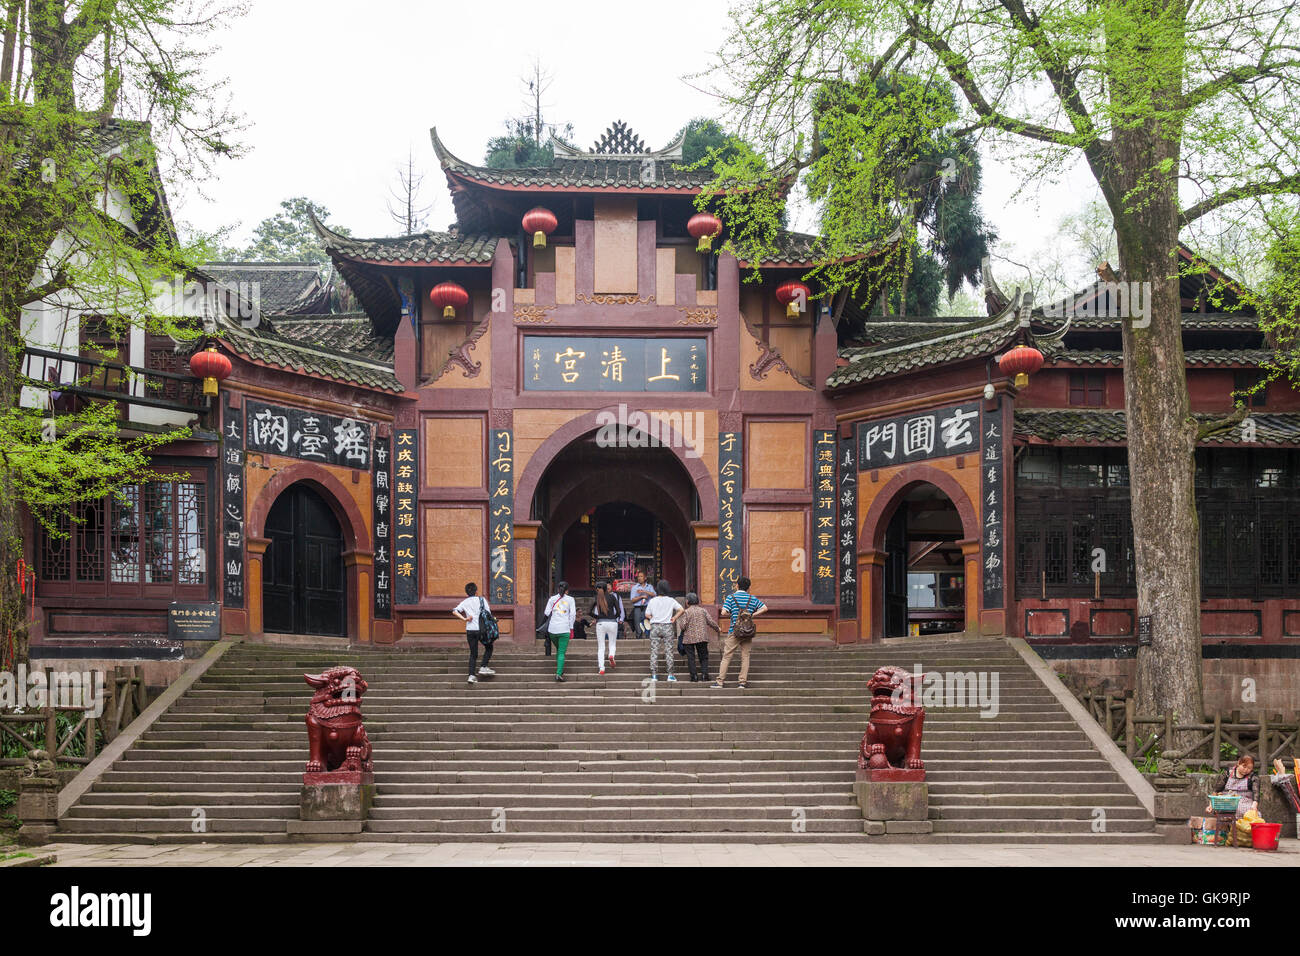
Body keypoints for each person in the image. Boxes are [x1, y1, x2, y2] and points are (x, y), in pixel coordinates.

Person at [713, 576, 767, 689]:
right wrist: (752, 615)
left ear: (737, 585)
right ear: (748, 588)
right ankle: (742, 682)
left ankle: (720, 682)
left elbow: (723, 612)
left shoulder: (731, 597)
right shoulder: (752, 598)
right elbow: (764, 608)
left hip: (734, 630)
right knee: (745, 656)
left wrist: (733, 614)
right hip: (748, 631)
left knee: (727, 656)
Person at [452, 582, 494, 684]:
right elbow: (489, 614)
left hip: (470, 630)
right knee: (489, 647)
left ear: (467, 592)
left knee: (473, 653)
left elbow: (454, 611)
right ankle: (483, 666)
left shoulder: (465, 602)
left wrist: (465, 619)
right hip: (481, 629)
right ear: (476, 591)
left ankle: (471, 675)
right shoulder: (482, 600)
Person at [644, 579, 683, 682]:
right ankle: (670, 675)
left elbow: (647, 614)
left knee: (654, 650)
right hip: (667, 626)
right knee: (669, 650)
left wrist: (652, 616)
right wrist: (674, 618)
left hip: (655, 626)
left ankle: (654, 675)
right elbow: (681, 609)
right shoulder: (671, 600)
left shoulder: (652, 600)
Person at [678, 592, 720, 682]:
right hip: (702, 637)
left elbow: (682, 626)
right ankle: (705, 675)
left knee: (691, 657)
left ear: (687, 602)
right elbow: (710, 621)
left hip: (689, 638)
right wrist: (717, 628)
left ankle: (694, 677)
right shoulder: (703, 610)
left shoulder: (686, 612)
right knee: (703, 657)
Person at [543, 581, 578, 682]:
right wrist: (571, 627)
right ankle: (558, 673)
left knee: (559, 651)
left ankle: (560, 669)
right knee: (561, 652)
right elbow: (572, 615)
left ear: (558, 589)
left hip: (552, 630)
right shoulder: (571, 600)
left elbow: (546, 613)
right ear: (567, 590)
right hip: (564, 629)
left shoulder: (552, 599)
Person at [589, 580, 623, 675]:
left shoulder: (596, 598)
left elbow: (589, 611)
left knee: (601, 647)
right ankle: (611, 655)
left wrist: (598, 617)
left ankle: (602, 668)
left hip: (600, 624)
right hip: (612, 623)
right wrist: (613, 617)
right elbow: (619, 611)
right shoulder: (612, 597)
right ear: (606, 588)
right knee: (612, 644)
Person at [628, 570, 655, 639]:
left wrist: (644, 591)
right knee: (638, 625)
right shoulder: (634, 587)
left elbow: (654, 595)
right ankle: (638, 638)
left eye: (641, 576)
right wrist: (641, 597)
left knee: (647, 625)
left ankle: (648, 639)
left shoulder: (649, 586)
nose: (639, 578)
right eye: (638, 577)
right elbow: (632, 600)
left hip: (647, 607)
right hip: (637, 608)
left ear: (645, 578)